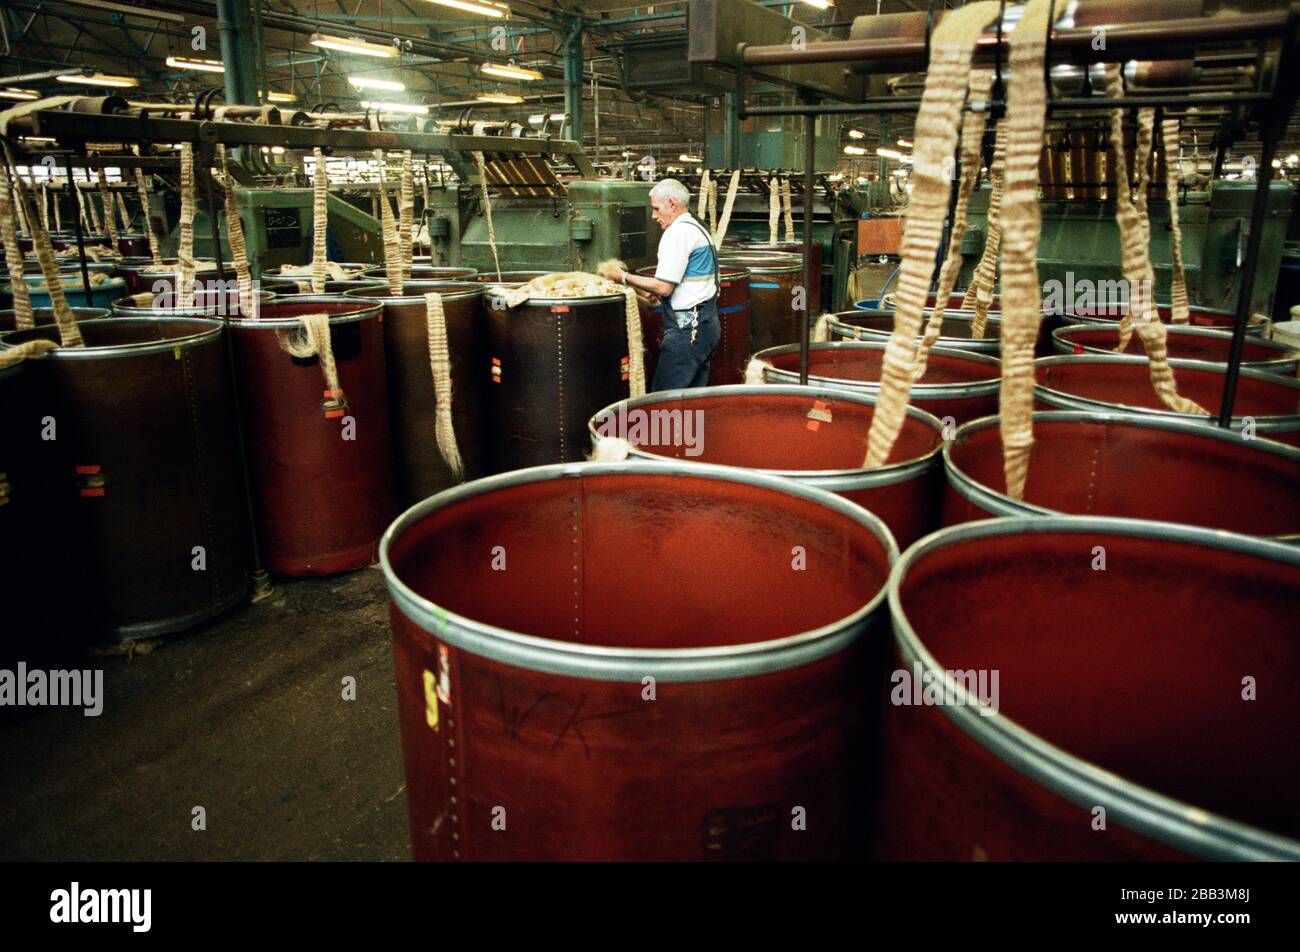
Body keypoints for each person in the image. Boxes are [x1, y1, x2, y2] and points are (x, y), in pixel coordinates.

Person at [611, 178, 721, 391]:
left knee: (664, 399)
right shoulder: (697, 227)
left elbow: (664, 287)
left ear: (671, 204)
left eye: (656, 209)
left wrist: (623, 276)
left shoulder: (677, 233)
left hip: (688, 330)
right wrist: (657, 295)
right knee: (691, 397)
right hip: (707, 325)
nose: (653, 216)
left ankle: (664, 427)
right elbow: (684, 281)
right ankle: (689, 426)